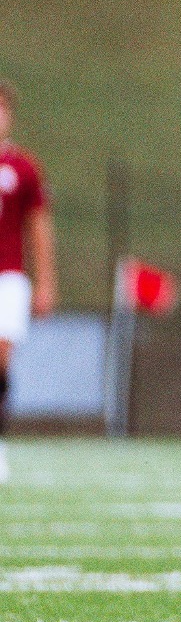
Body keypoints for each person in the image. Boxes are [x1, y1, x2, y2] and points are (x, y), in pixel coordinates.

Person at [0, 82, 57, 485]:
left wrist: (46, 282)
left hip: (8, 277)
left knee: (0, 359)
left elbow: (39, 227)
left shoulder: (23, 168)